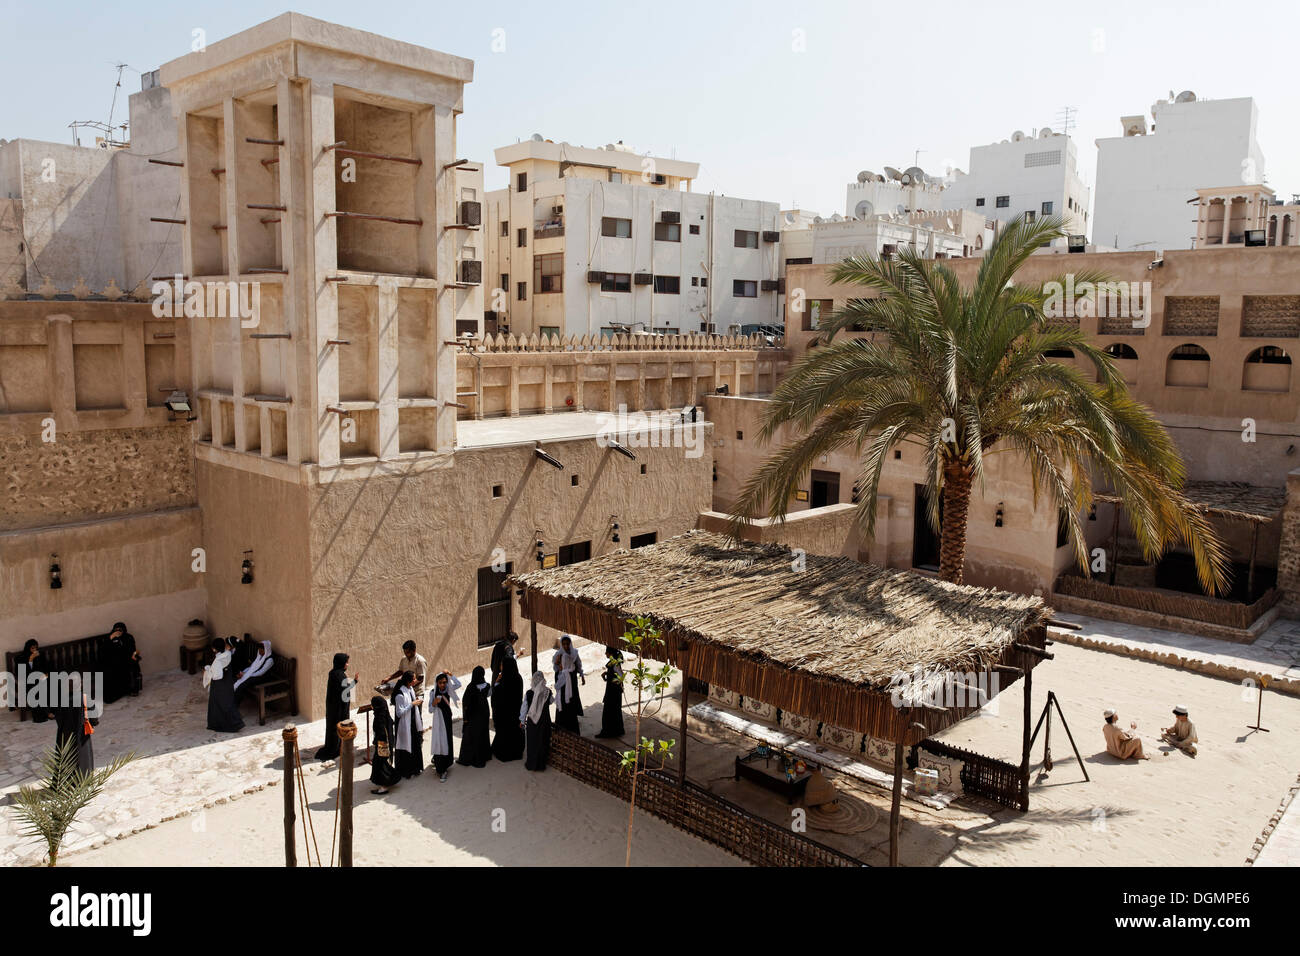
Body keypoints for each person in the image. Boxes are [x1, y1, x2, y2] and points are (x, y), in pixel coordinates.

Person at [52, 691, 96, 786]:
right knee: (83, 757)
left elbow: (58, 718)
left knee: (66, 758)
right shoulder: (85, 698)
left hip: (65, 736)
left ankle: (66, 784)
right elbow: (94, 717)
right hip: (82, 736)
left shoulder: (60, 700)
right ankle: (83, 782)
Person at [315, 653, 353, 761]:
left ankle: (333, 746)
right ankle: (335, 749)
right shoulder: (340, 676)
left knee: (332, 727)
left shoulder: (333, 673)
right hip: (339, 709)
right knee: (338, 728)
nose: (347, 665)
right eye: (346, 662)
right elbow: (345, 693)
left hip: (333, 707)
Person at [203, 637, 244, 733]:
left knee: (218, 705)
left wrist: (207, 670)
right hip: (228, 683)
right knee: (228, 703)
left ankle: (222, 725)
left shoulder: (218, 660)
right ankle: (236, 723)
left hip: (219, 686)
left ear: (214, 649)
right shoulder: (228, 654)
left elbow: (217, 676)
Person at [457, 666, 492, 769]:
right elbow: (489, 694)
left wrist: (465, 717)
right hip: (484, 712)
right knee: (483, 734)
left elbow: (465, 702)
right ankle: (484, 756)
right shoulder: (487, 686)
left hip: (473, 714)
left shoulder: (471, 687)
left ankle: (470, 758)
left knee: (471, 735)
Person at [491, 657, 525, 762]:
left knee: (505, 734)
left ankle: (504, 753)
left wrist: (496, 683)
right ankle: (516, 752)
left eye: (502, 665)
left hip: (504, 715)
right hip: (515, 712)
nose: (500, 667)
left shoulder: (503, 680)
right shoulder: (518, 678)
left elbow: (496, 697)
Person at [392, 671, 425, 779]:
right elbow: (399, 713)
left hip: (413, 723)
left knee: (415, 745)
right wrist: (412, 704)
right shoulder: (400, 694)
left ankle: (416, 768)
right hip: (405, 725)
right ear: (408, 681)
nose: (415, 681)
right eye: (414, 679)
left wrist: (415, 701)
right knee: (406, 747)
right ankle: (406, 771)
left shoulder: (410, 689)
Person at [428, 671, 460, 780]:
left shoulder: (448, 689)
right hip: (438, 721)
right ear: (436, 683)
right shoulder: (433, 693)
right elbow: (430, 710)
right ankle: (441, 768)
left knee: (447, 741)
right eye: (440, 683)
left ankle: (445, 763)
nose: (442, 685)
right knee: (440, 741)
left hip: (447, 720)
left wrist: (450, 674)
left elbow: (458, 684)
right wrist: (434, 702)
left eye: (444, 682)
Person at [368, 695, 401, 794]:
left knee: (379, 765)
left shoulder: (379, 718)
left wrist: (377, 742)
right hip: (387, 743)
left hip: (382, 745)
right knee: (383, 764)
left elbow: (381, 732)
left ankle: (384, 786)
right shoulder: (385, 714)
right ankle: (393, 778)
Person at [103, 622, 142, 704]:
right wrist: (111, 638)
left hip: (125, 659)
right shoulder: (109, 638)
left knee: (133, 664)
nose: (118, 631)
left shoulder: (128, 637)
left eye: (120, 629)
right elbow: (105, 652)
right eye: (116, 629)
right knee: (110, 670)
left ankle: (132, 689)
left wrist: (133, 655)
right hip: (112, 661)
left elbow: (132, 649)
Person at [552, 634, 585, 733]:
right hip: (563, 681)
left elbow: (578, 664)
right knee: (563, 701)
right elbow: (556, 669)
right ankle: (562, 726)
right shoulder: (558, 654)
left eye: (567, 644)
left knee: (572, 701)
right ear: (561, 644)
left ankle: (572, 726)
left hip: (572, 681)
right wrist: (557, 663)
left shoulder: (574, 653)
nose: (566, 646)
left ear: (570, 643)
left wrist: (582, 675)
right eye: (564, 644)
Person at [521, 671, 553, 772]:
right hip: (545, 721)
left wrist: (522, 721)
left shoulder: (529, 693)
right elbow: (552, 701)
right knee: (543, 742)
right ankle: (541, 765)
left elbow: (524, 709)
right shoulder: (547, 692)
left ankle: (531, 764)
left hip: (533, 723)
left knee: (532, 743)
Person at [594, 646, 625, 739]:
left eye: (606, 652)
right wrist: (607, 674)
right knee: (614, 711)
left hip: (613, 692)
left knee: (609, 711)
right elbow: (615, 674)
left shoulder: (615, 663)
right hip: (613, 691)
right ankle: (616, 731)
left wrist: (614, 683)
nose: (605, 654)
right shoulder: (613, 662)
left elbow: (621, 676)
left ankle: (608, 732)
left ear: (610, 654)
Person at [17, 639, 51, 723]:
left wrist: (46, 674)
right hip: (29, 681)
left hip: (41, 678)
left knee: (52, 685)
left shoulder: (40, 655)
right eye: (32, 648)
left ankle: (50, 712)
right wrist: (30, 660)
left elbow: (46, 666)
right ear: (28, 648)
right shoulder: (21, 658)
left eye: (36, 648)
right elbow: (23, 673)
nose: (34, 650)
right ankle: (42, 715)